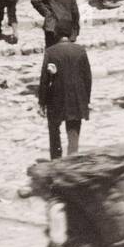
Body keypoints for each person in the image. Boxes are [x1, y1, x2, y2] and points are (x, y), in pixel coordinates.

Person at [39, 24, 92, 159]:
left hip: (57, 95)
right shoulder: (80, 50)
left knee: (54, 128)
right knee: (73, 129)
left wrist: (42, 102)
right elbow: (88, 77)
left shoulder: (50, 52)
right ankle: (72, 159)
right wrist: (86, 99)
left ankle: (56, 158)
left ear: (56, 34)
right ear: (70, 35)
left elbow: (44, 79)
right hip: (76, 95)